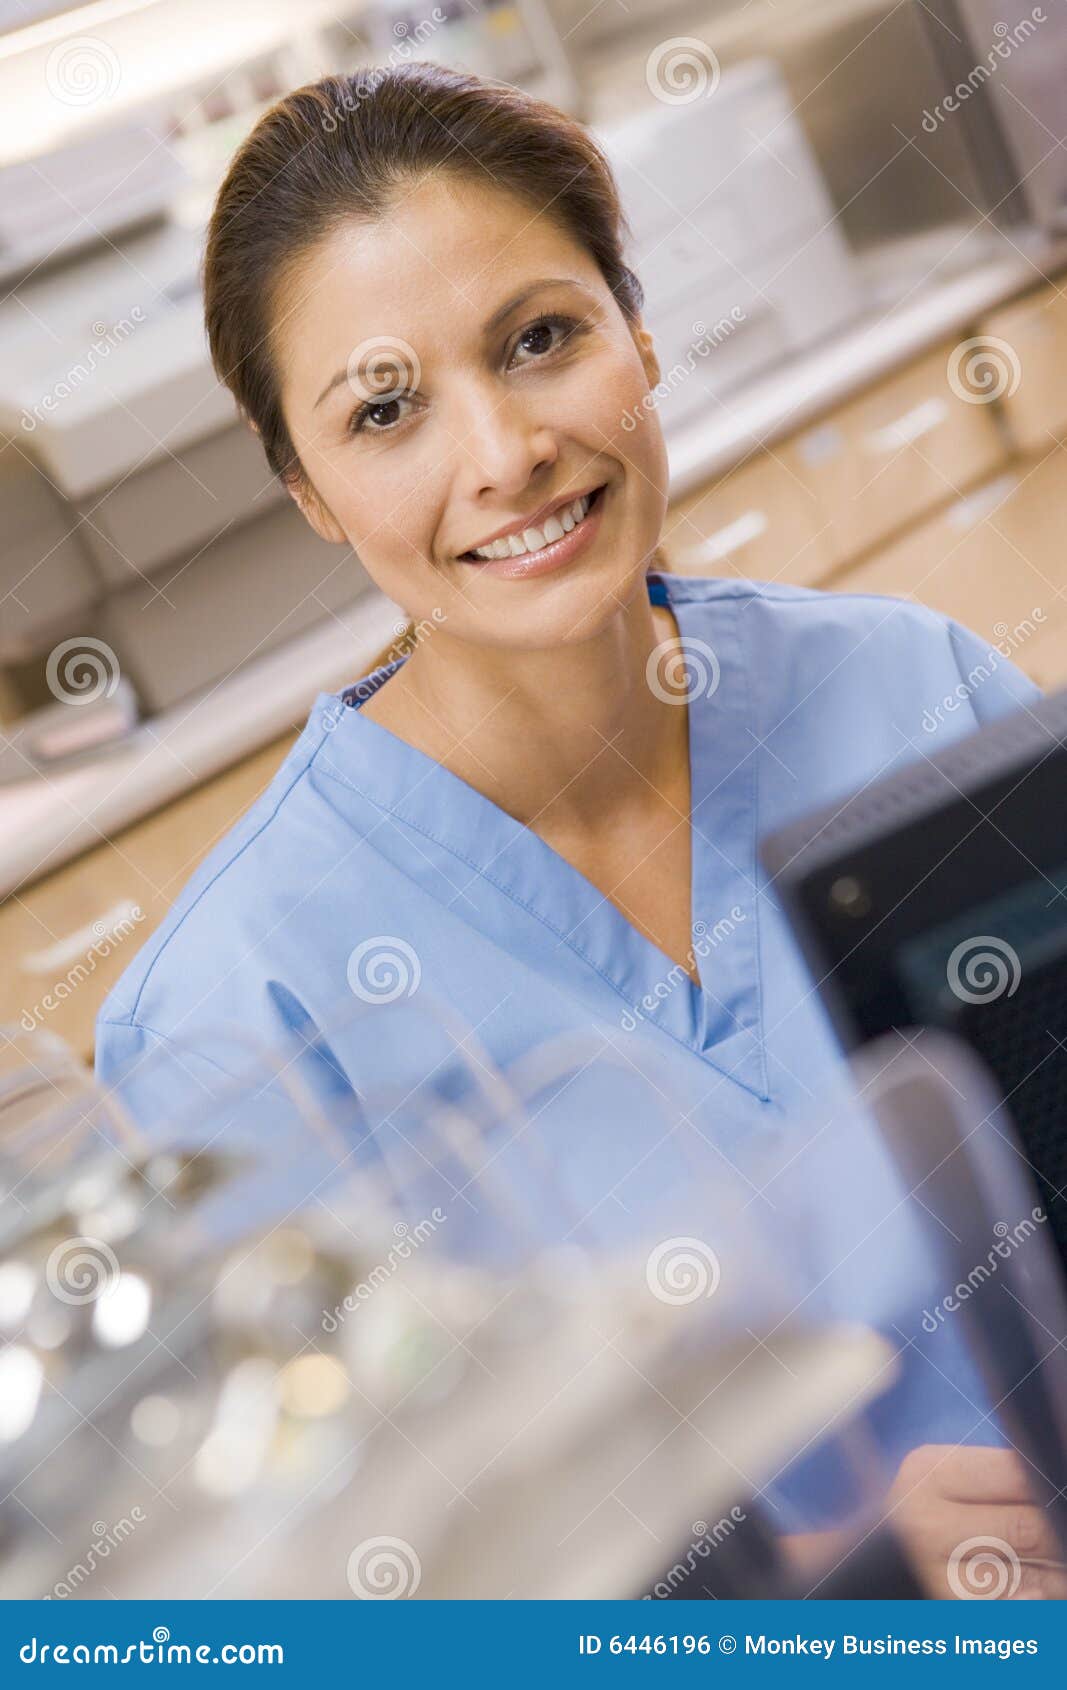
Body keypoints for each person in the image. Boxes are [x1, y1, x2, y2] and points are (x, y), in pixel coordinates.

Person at [93, 63, 1058, 1592]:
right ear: (309, 489)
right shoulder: (240, 1017)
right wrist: (843, 1573)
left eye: (540, 339)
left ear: (638, 332)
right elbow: (369, 1595)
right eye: (386, 411)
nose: (504, 454)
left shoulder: (912, 686)